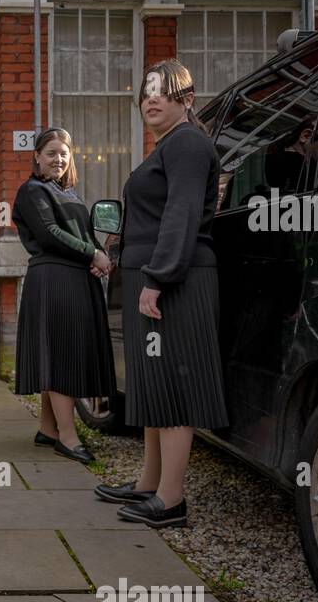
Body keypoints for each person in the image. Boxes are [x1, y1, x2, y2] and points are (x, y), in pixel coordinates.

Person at [94, 58, 227, 528]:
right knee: (151, 384)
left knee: (171, 384)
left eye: (162, 91)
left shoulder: (188, 143)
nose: (151, 98)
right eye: (146, 92)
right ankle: (149, 483)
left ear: (186, 100)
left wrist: (158, 277)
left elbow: (182, 214)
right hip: (152, 278)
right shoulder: (168, 146)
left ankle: (171, 500)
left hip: (175, 282)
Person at [13, 127, 115, 464]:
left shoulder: (68, 192)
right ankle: (68, 438)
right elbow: (50, 234)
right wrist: (92, 255)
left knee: (59, 353)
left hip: (75, 280)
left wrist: (100, 255)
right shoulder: (32, 190)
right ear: (37, 157)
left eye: (64, 153)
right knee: (60, 357)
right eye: (51, 153)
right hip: (53, 279)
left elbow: (82, 234)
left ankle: (48, 428)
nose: (58, 159)